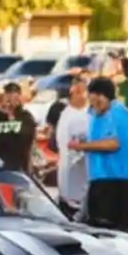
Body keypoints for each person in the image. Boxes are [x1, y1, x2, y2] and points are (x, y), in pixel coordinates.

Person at [72, 77, 128, 231]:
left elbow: (114, 143)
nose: (94, 106)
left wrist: (83, 146)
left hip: (116, 179)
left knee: (114, 228)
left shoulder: (118, 113)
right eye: (92, 102)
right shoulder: (94, 115)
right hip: (98, 178)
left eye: (98, 101)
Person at [54, 76, 91, 212]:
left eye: (85, 91)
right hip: (70, 172)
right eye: (78, 91)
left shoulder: (92, 114)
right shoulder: (66, 116)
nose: (82, 95)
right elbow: (64, 144)